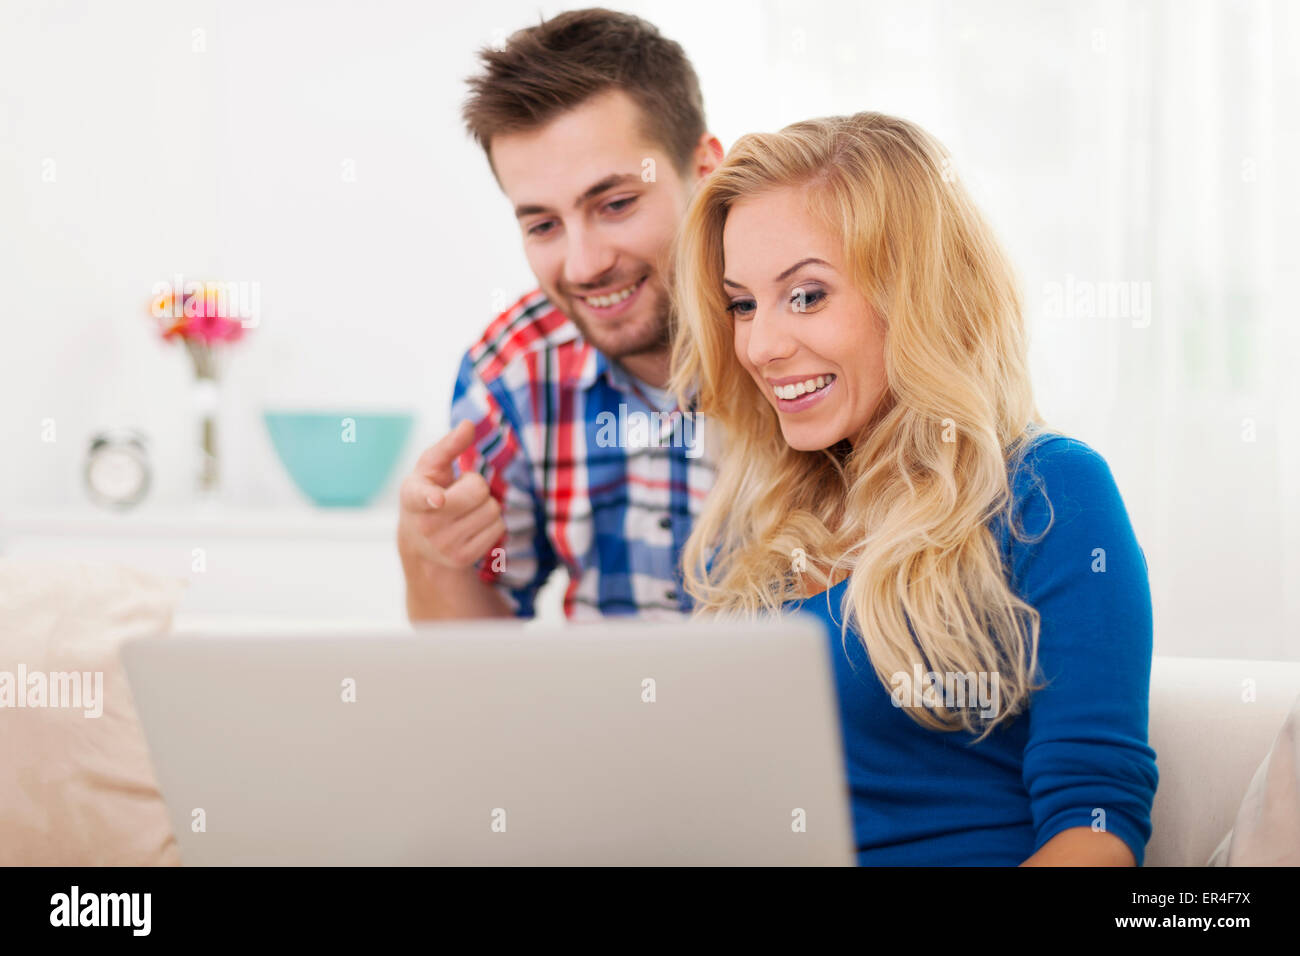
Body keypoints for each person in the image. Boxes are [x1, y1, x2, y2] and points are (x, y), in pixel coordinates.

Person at [670, 111, 1159, 866]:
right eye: (742, 303)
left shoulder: (1048, 493)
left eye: (805, 296)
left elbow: (1095, 830)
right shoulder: (760, 523)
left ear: (915, 294)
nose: (760, 346)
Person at [397, 9, 722, 620]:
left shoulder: (806, 338)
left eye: (617, 203)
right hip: (598, 716)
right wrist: (426, 550)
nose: (583, 265)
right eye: (544, 224)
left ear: (706, 170)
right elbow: (472, 664)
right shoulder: (511, 370)